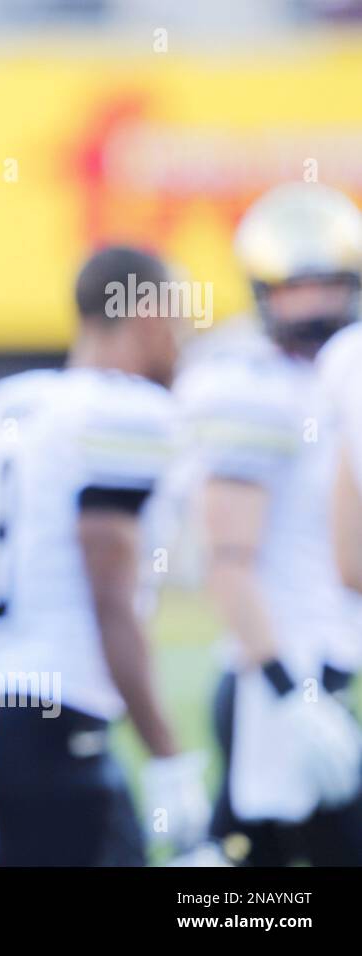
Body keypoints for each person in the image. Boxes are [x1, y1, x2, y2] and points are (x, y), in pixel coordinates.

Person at [0, 245, 208, 866]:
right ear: (146, 310)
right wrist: (169, 754)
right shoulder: (125, 411)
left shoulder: (10, 400)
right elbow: (111, 601)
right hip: (59, 714)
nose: (182, 338)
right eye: (176, 317)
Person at [178, 181, 362, 865]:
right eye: (295, 286)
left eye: (328, 284)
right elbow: (227, 563)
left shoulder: (340, 374)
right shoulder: (246, 380)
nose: (313, 305)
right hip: (275, 687)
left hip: (322, 675)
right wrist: (291, 694)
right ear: (262, 289)